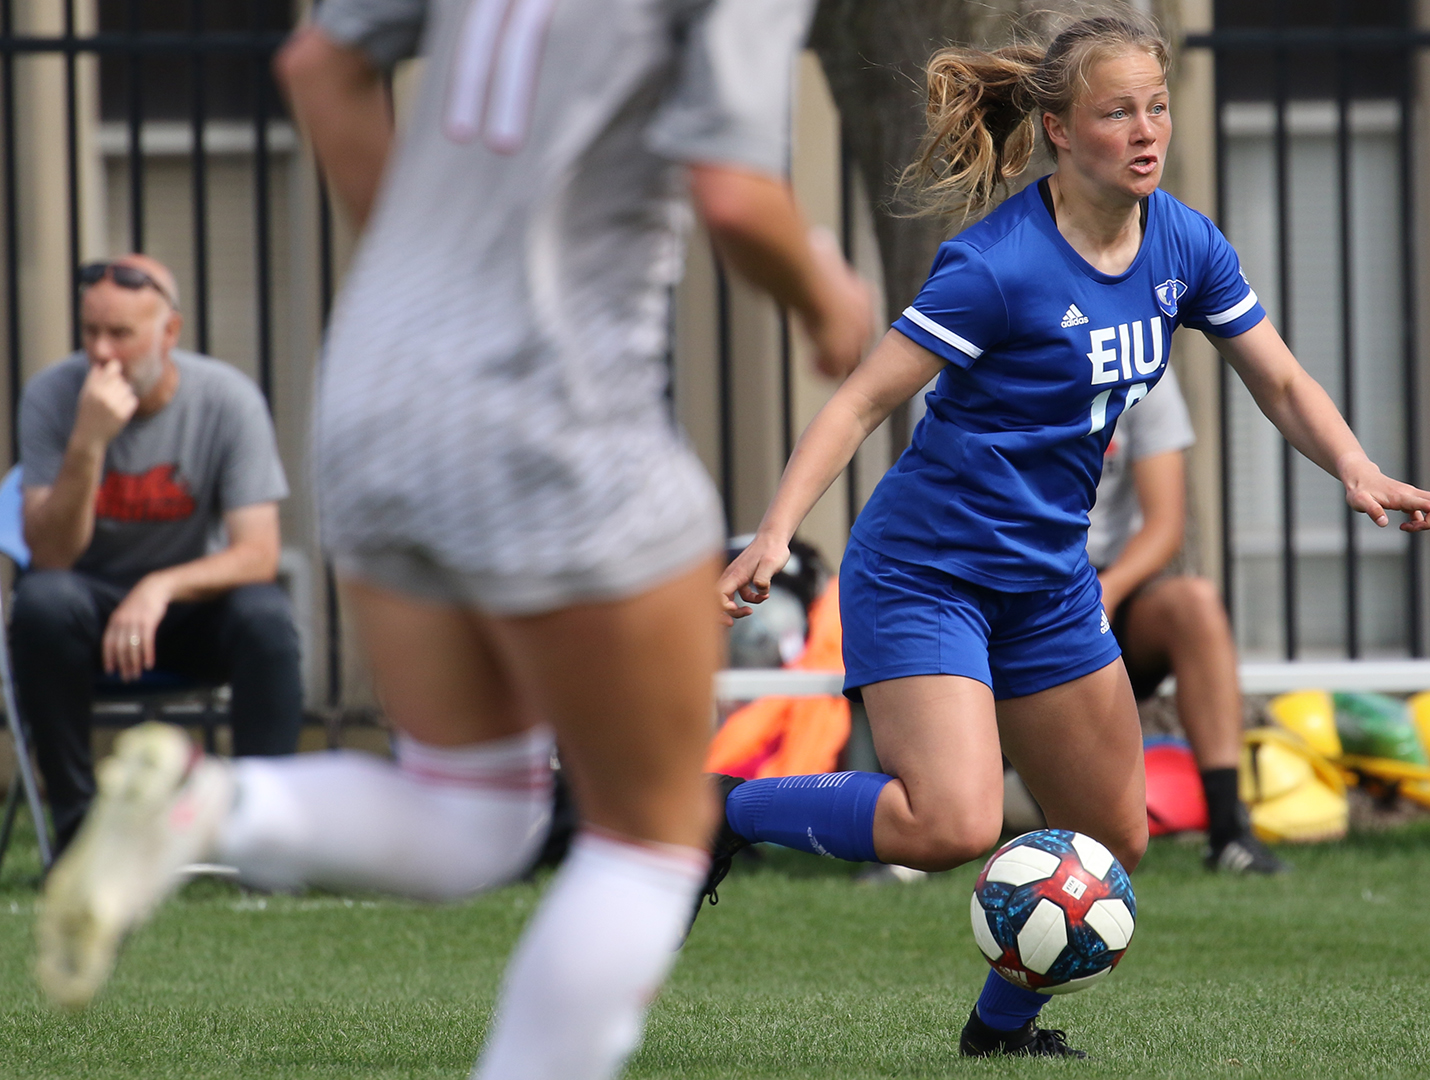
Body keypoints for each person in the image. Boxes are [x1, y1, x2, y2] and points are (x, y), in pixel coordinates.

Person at [36, 3, 872, 1079]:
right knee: (652, 834)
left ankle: (210, 803)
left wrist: (427, 296)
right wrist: (826, 299)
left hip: (377, 391)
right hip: (555, 408)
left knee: (474, 810)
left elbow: (319, 65)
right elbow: (736, 190)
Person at [714, 11, 1430, 1059]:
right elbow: (858, 403)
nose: (1147, 132)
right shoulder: (997, 266)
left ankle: (996, 1036)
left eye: (1156, 108)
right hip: (930, 576)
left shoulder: (1184, 243)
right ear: (1060, 129)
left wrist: (1359, 468)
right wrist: (776, 534)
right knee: (952, 825)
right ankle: (730, 813)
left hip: (1049, 586)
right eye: (1118, 113)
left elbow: (1279, 379)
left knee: (1116, 840)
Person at [11, 253, 302, 855]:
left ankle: (264, 837)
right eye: (91, 332)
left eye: (121, 334)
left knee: (265, 615)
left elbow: (259, 554)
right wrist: (88, 442)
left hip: (187, 614)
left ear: (169, 332)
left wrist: (160, 587)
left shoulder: (227, 400)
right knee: (41, 601)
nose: (101, 353)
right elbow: (51, 554)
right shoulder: (50, 397)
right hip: (85, 612)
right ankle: (76, 832)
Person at [1088, 367, 1284, 874]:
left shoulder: (1137, 354)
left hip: (1101, 590)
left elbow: (1165, 524)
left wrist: (1103, 591)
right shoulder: (968, 346)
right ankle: (918, 828)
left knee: (1194, 604)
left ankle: (1228, 831)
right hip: (1007, 589)